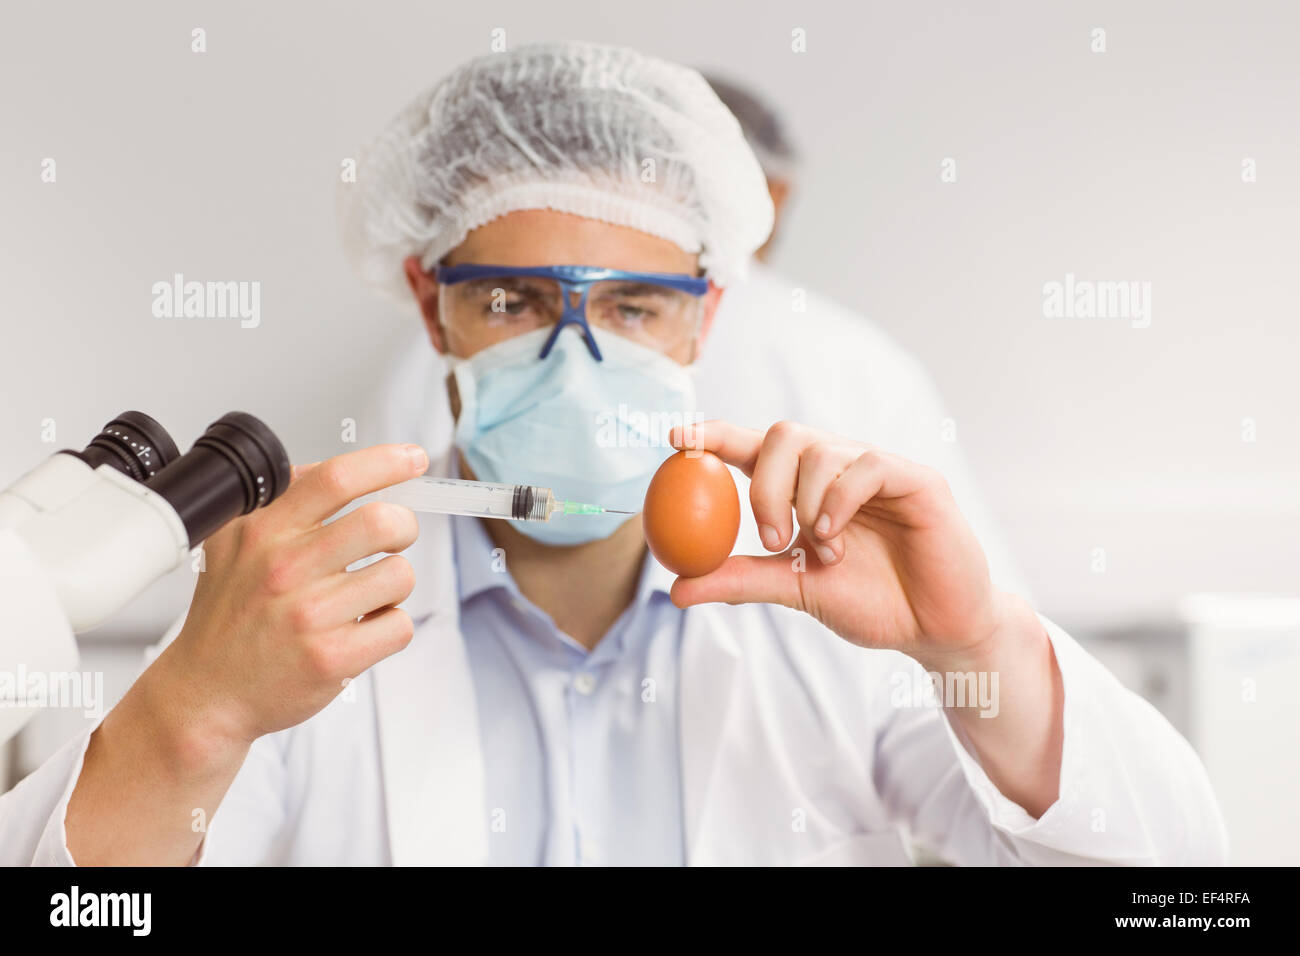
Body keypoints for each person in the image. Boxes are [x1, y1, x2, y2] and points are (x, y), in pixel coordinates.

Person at [0, 41, 1226, 866]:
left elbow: (1175, 890)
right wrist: (193, 715)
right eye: (516, 302)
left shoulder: (828, 624)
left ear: (709, 313)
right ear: (433, 305)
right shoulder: (296, 616)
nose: (575, 359)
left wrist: (981, 646)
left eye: (635, 308)